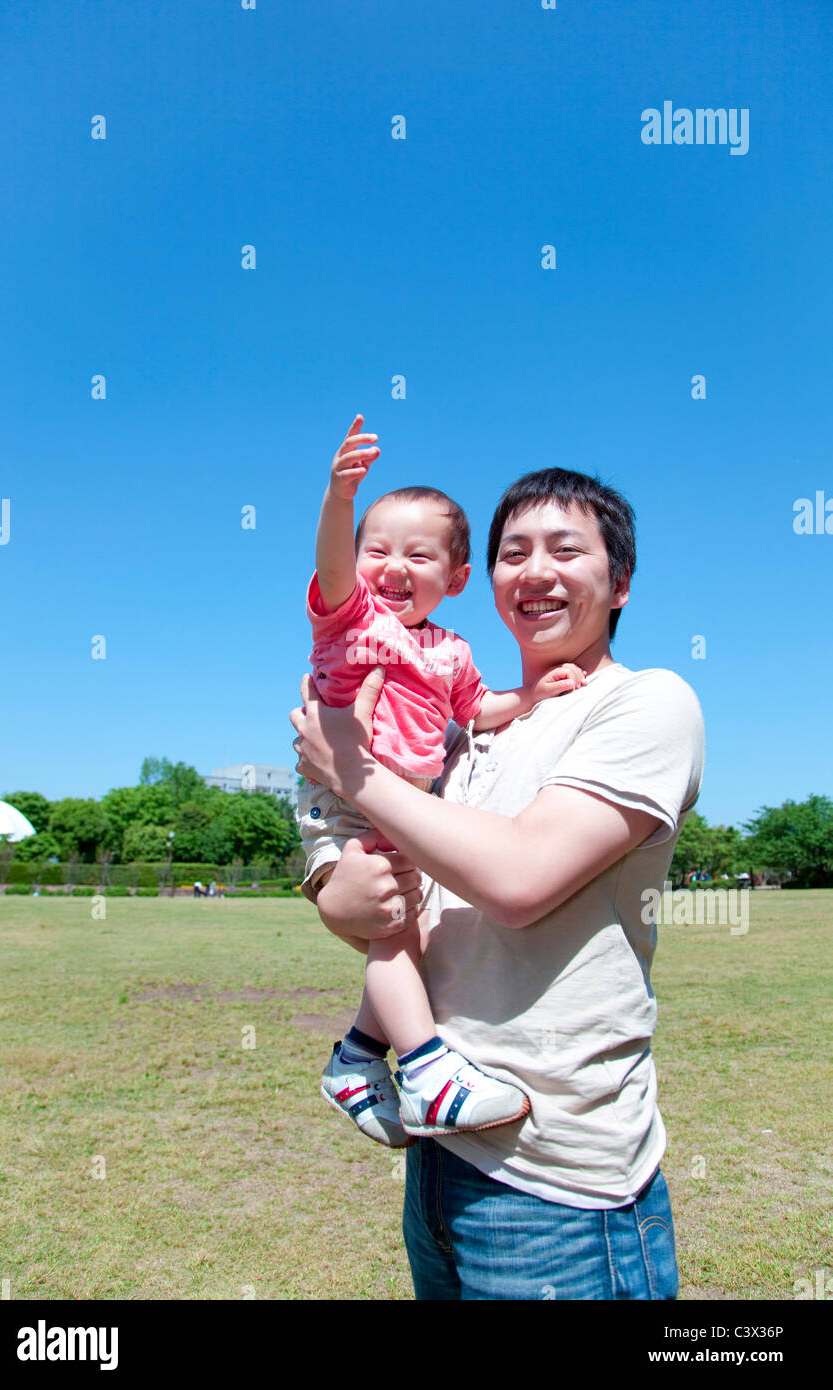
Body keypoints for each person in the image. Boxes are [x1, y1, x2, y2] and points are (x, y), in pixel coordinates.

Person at [290, 465, 705, 1301]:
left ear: (619, 581)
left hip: (561, 1187)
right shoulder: (458, 736)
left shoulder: (647, 703)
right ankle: (365, 1055)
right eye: (517, 551)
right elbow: (410, 896)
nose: (538, 570)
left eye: (566, 549)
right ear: (490, 580)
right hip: (440, 1155)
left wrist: (354, 769)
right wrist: (332, 890)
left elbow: (515, 881)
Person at [300, 415, 587, 1147]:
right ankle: (427, 1069)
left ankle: (357, 1060)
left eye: (418, 556)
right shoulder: (352, 619)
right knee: (392, 935)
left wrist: (532, 696)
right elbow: (334, 565)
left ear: (456, 579)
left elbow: (478, 710)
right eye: (377, 550)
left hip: (410, 805)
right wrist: (339, 498)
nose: (393, 567)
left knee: (405, 935)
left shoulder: (451, 651)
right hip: (346, 795)